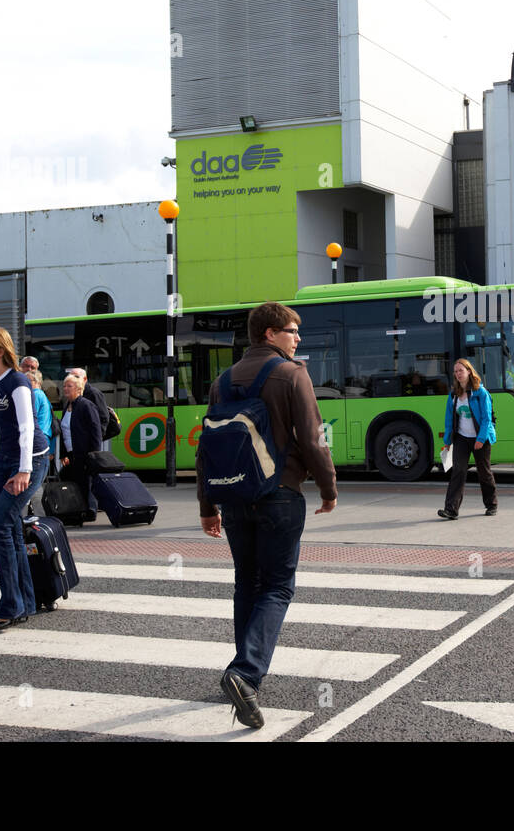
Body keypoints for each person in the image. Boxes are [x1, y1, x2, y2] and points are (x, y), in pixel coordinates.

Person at [198, 302, 336, 730]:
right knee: (277, 587)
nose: (298, 338)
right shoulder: (292, 374)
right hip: (280, 494)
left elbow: (207, 446)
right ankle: (245, 673)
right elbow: (312, 438)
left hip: (235, 495)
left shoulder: (222, 381)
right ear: (270, 333)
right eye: (293, 331)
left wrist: (207, 505)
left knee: (247, 584)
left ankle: (244, 672)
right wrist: (329, 488)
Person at [0, 327, 50, 630]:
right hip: (4, 461)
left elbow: (27, 428)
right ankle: (26, 602)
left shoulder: (18, 381)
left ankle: (11, 606)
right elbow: (0, 429)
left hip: (30, 459)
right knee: (12, 530)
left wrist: (23, 471)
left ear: (0, 351)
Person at [437, 358, 497, 519]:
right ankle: (451, 509)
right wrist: (447, 442)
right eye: (455, 371)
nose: (458, 374)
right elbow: (449, 420)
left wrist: (481, 439)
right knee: (458, 471)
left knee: (484, 472)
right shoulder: (454, 394)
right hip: (462, 438)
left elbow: (487, 418)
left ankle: (491, 504)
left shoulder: (480, 393)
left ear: (469, 371)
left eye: (461, 371)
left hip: (480, 438)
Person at [58, 374, 102, 516]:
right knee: (70, 478)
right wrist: (63, 454)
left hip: (85, 452)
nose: (65, 388)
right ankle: (77, 508)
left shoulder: (86, 405)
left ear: (78, 388)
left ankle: (90, 510)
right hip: (72, 453)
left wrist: (94, 454)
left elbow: (96, 430)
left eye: (69, 386)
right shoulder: (67, 406)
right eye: (64, 385)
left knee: (85, 481)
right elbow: (64, 431)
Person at [66, 367, 111, 451]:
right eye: (70, 377)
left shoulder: (93, 393)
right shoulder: (72, 395)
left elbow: (103, 419)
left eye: (76, 377)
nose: (72, 379)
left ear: (85, 379)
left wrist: (94, 443)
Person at [26, 370, 56, 475]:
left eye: (28, 380)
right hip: (44, 439)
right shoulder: (43, 396)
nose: (25, 383)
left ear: (38, 382)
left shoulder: (35, 395)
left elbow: (30, 418)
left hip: (37, 439)